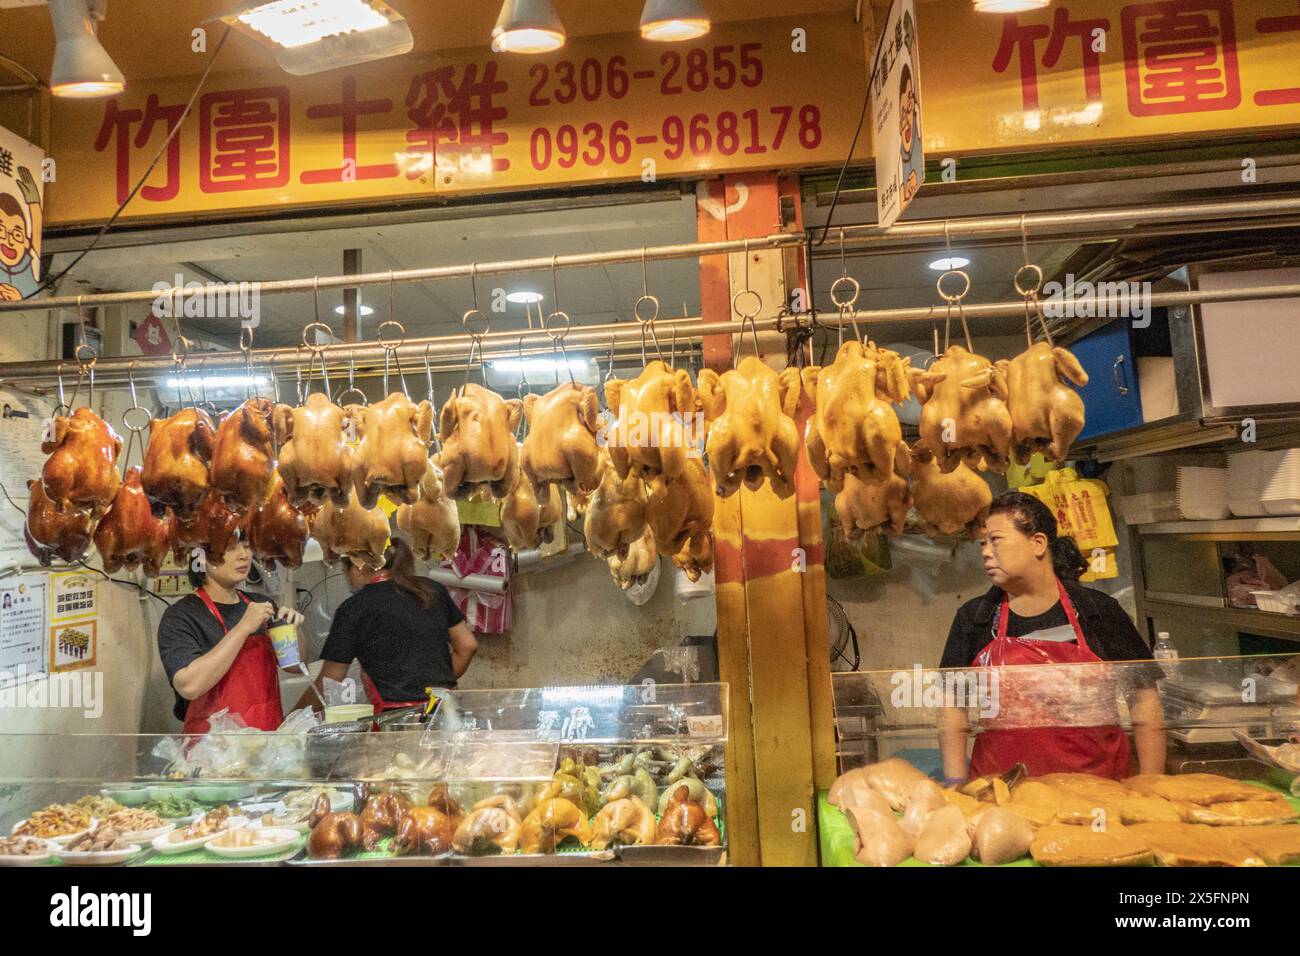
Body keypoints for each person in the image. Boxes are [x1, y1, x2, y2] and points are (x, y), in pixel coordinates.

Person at [938, 492, 1166, 781]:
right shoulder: (975, 618)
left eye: (996, 540)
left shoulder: (1098, 611)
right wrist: (957, 787)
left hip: (1098, 792)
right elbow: (953, 710)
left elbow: (1144, 699)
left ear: (1038, 543)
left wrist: (1151, 782)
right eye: (983, 543)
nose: (985, 551)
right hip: (1003, 794)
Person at [296, 539, 478, 713]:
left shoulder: (354, 607)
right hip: (447, 708)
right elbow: (467, 645)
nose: (347, 579)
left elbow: (331, 679)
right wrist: (434, 685)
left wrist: (292, 718)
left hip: (396, 719)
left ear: (358, 569)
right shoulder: (431, 590)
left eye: (346, 572)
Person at [156, 538, 304, 734]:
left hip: (266, 744)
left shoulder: (260, 604)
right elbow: (189, 686)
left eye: (247, 546)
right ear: (200, 556)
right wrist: (243, 628)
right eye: (230, 548)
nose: (244, 555)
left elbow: (296, 665)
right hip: (213, 752)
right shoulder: (181, 616)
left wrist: (295, 630)